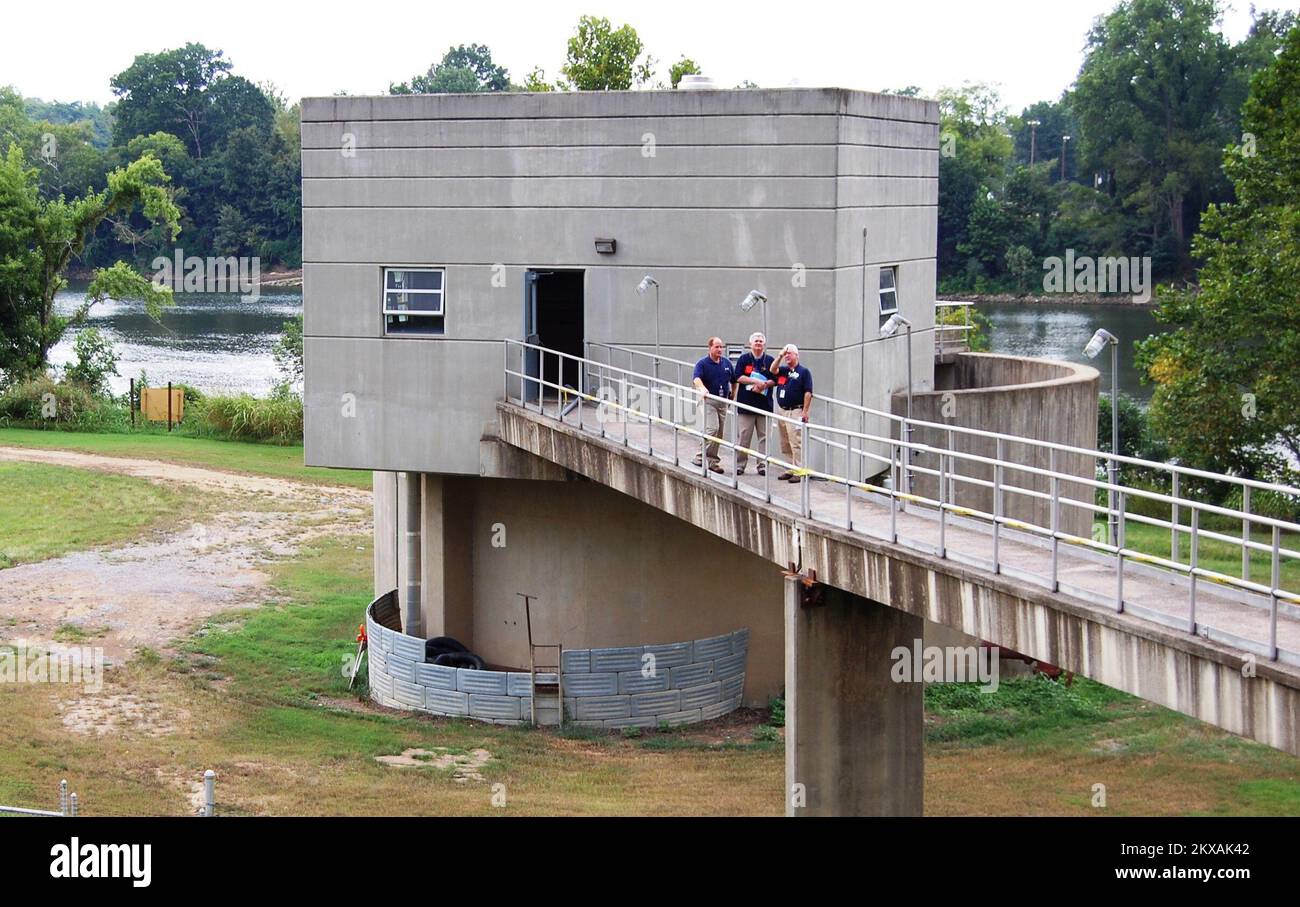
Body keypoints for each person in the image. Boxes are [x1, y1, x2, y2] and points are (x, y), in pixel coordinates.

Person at [732, 332, 775, 475]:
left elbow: (775, 379)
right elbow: (738, 377)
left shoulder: (770, 360)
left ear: (764, 344)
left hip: (765, 406)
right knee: (744, 437)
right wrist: (755, 381)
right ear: (750, 344)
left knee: (764, 437)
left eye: (761, 341)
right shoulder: (744, 359)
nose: (758, 343)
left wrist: (764, 385)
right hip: (746, 405)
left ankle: (762, 465)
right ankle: (740, 465)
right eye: (756, 341)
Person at [691, 336, 735, 473]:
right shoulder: (702, 363)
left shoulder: (726, 363)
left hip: (723, 401)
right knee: (712, 429)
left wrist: (734, 393)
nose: (719, 349)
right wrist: (702, 388)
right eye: (716, 347)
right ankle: (699, 456)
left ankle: (712, 461)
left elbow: (734, 380)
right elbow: (696, 378)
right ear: (710, 348)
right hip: (708, 400)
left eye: (721, 347)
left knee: (720, 433)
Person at [771, 344, 813, 482]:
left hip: (795, 410)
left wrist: (805, 411)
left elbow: (808, 392)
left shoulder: (804, 372)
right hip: (782, 410)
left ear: (797, 355)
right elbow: (773, 369)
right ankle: (789, 468)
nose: (787, 356)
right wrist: (780, 355)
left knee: (795, 441)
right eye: (786, 354)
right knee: (784, 442)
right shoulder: (783, 370)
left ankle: (799, 470)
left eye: (790, 353)